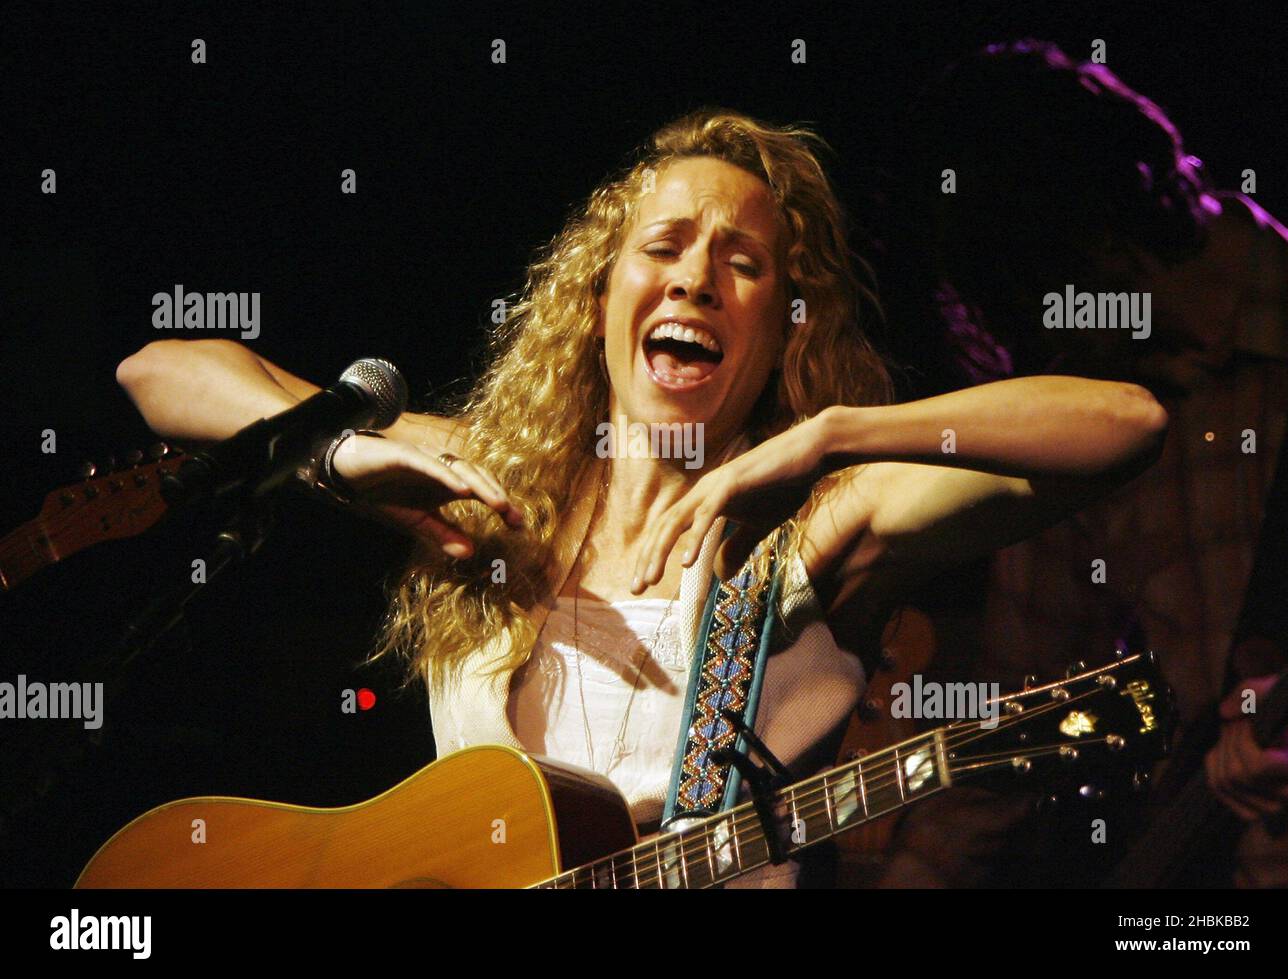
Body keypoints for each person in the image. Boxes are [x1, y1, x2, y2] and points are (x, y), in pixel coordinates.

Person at [116, 107, 1167, 888]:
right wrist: (337, 457)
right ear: (599, 294)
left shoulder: (820, 530)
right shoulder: (488, 491)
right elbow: (157, 374)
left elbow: (1122, 424)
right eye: (662, 247)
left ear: (787, 326)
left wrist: (834, 433)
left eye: (743, 264)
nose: (695, 279)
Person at [886, 40, 1288, 886]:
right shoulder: (1095, 412)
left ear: (1105, 246)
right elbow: (1009, 727)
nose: (1042, 366)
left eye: (1046, 319)